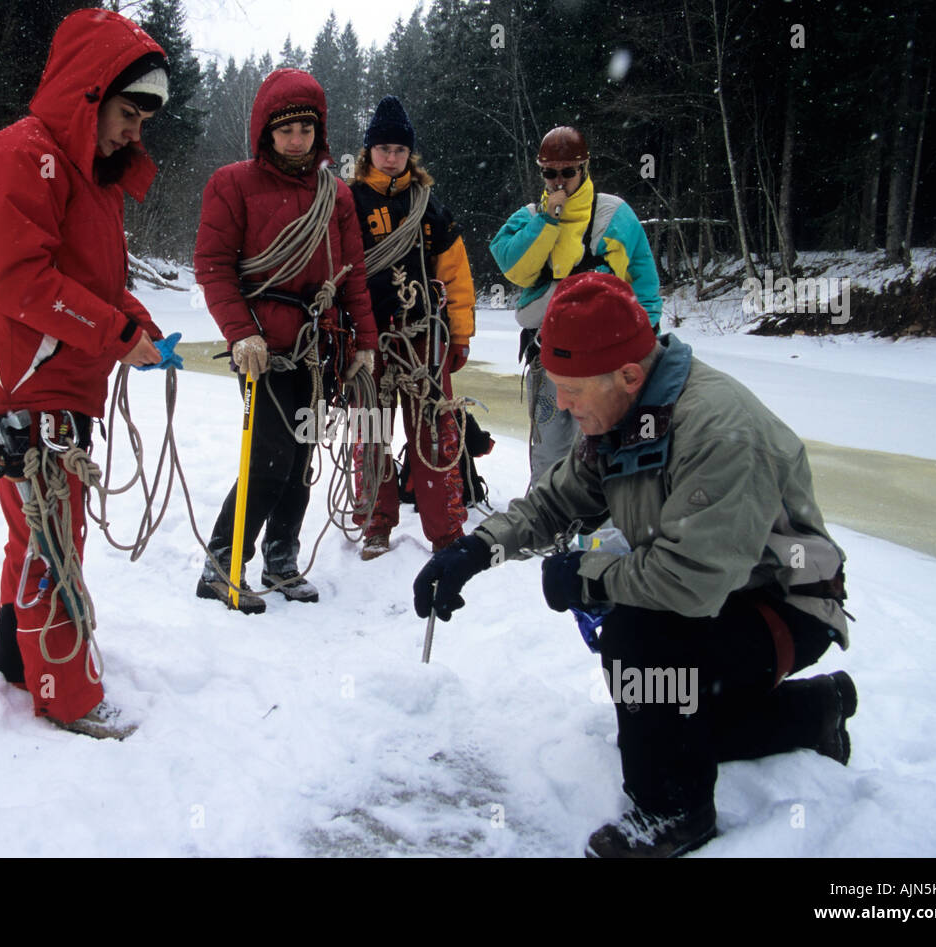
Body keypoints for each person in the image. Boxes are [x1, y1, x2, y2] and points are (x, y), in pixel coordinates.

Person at [413, 272, 855, 858]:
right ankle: (818, 710)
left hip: (784, 603)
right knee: (682, 721)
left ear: (627, 374)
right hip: (722, 592)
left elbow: (689, 581)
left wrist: (584, 578)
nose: (561, 404)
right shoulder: (624, 410)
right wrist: (475, 550)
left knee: (640, 633)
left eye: (570, 389)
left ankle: (673, 808)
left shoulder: (719, 431)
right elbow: (555, 501)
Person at [0, 9, 172, 739]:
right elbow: (19, 279)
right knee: (55, 538)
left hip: (60, 387)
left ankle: (16, 657)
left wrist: (134, 323)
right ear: (91, 93)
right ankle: (66, 693)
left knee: (38, 532)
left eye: (144, 121)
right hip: (30, 391)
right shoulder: (21, 155)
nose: (133, 133)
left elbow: (96, 283)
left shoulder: (93, 181)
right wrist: (114, 333)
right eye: (127, 113)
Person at [193, 68, 377, 614]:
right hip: (265, 351)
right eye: (284, 130)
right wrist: (241, 333)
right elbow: (213, 267)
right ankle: (221, 565)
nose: (295, 140)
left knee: (300, 458)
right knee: (270, 456)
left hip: (318, 350)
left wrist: (363, 344)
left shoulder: (336, 194)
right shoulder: (232, 184)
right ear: (265, 132)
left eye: (305, 129)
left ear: (318, 132)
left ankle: (280, 558)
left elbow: (353, 275)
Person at [490, 127, 662, 485]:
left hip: (607, 358)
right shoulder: (529, 216)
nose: (559, 180)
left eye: (568, 171)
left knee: (601, 441)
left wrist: (647, 340)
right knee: (550, 444)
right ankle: (545, 516)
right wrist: (548, 220)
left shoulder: (616, 215)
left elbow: (643, 282)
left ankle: (600, 522)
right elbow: (516, 269)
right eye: (550, 173)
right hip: (549, 354)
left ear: (584, 168)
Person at [348, 95, 477, 560]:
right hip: (369, 337)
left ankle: (446, 531)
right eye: (383, 148)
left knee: (434, 432)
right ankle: (376, 523)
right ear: (369, 152)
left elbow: (456, 273)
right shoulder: (348, 202)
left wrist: (459, 333)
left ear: (410, 154)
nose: (391, 156)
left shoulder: (430, 206)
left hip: (423, 335)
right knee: (371, 425)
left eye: (399, 150)